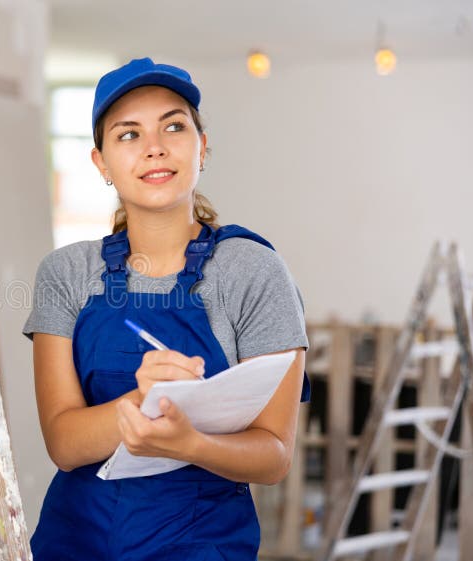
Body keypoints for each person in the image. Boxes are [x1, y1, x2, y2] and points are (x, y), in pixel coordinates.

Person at [22, 57, 310, 561]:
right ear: (101, 163)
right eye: (128, 134)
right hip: (74, 542)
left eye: (174, 126)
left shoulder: (254, 272)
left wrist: (188, 442)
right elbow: (64, 444)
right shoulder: (66, 273)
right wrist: (139, 401)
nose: (154, 146)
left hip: (200, 544)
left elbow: (274, 456)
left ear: (203, 146)